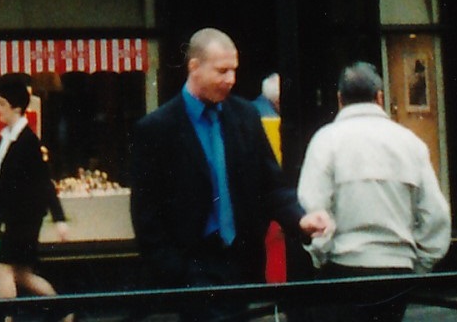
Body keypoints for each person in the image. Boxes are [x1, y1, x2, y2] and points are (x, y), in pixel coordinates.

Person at [130, 29, 329, 315]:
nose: (231, 80)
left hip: (241, 264)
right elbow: (146, 214)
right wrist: (176, 271)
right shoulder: (157, 129)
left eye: (234, 70)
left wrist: (301, 218)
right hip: (190, 270)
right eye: (222, 71)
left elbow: (271, 184)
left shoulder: (245, 116)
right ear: (194, 67)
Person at [297, 62, 450, 322]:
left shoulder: (326, 140)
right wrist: (419, 264)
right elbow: (437, 216)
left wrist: (321, 257)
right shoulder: (410, 143)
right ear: (380, 97)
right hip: (398, 271)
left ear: (339, 99)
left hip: (345, 267)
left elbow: (315, 210)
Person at [0, 73, 69, 303]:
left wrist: (59, 218)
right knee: (22, 275)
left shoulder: (28, 142)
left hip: (24, 220)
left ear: (16, 108)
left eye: (2, 104)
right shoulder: (5, 138)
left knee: (3, 269)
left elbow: (45, 182)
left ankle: (8, 318)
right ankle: (65, 311)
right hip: (13, 219)